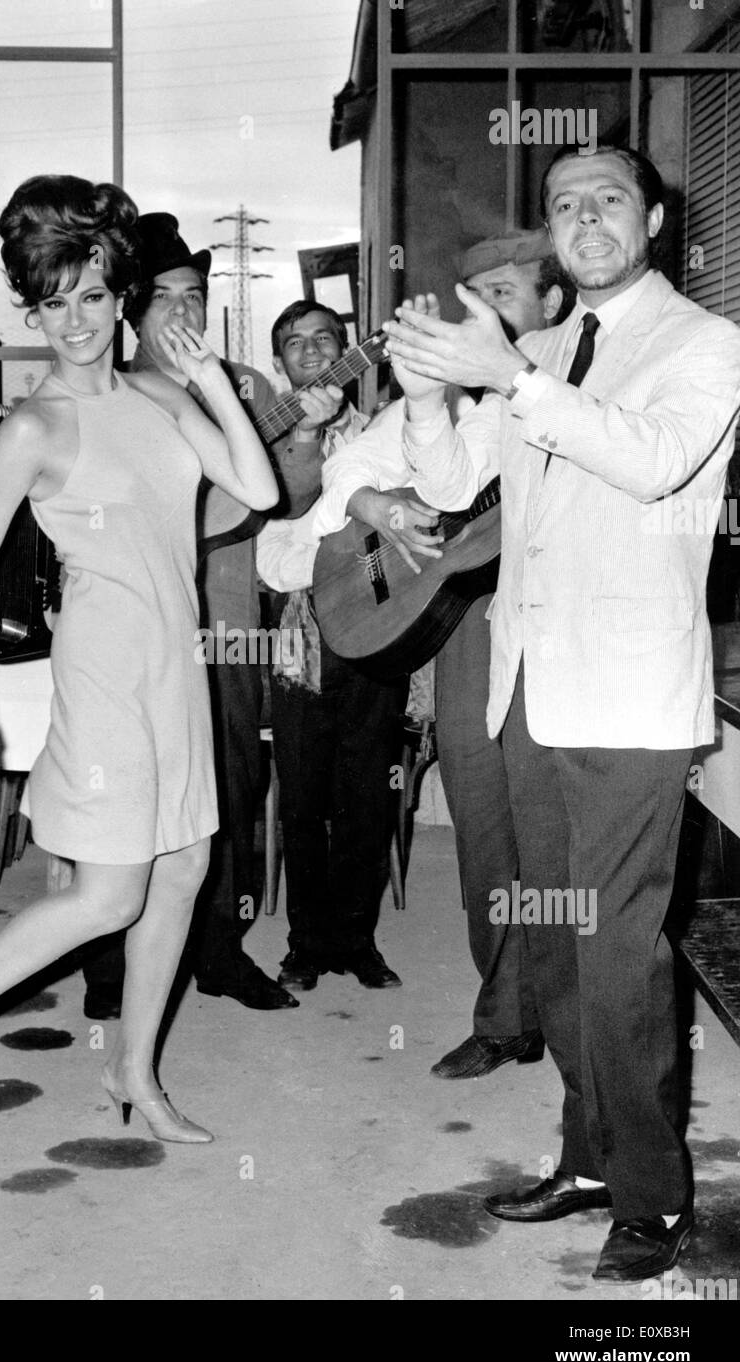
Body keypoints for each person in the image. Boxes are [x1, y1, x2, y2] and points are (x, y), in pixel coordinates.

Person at [316, 146, 740, 1282]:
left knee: (617, 962)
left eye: (608, 198)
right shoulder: (539, 352)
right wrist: (424, 396)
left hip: (628, 704)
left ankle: (651, 1197)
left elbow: (650, 463)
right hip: (525, 693)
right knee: (553, 952)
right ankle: (589, 1158)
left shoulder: (706, 345)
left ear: (652, 214)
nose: (587, 217)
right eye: (564, 204)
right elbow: (453, 488)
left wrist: (507, 380)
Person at [0, 175, 278, 1144]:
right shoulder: (34, 427)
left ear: (118, 291)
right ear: (33, 308)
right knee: (109, 891)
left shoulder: (161, 396)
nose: (77, 321)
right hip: (101, 670)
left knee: (183, 868)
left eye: (92, 296)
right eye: (54, 304)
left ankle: (134, 1075)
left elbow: (255, 487)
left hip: (175, 663)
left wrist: (210, 375)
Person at [78, 212, 301, 1015]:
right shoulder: (109, 393)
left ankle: (220, 952)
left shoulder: (249, 389)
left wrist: (305, 438)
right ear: (133, 312)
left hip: (229, 626)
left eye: (196, 295)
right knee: (127, 796)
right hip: (136, 633)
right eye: (165, 296)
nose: (183, 312)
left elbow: (287, 498)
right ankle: (110, 968)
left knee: (231, 787)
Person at [430, 228, 573, 1079]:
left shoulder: (588, 386)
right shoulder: (452, 397)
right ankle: (506, 1015)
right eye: (471, 298)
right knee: (484, 834)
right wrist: (373, 498)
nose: (481, 314)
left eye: (504, 295)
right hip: (466, 628)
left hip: (563, 633)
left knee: (554, 841)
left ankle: (571, 1021)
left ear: (552, 304)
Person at [256, 299, 406, 991]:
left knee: (366, 794)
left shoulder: (384, 432)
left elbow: (398, 545)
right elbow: (273, 562)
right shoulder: (268, 452)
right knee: (303, 797)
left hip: (377, 629)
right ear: (279, 361)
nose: (312, 353)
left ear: (351, 352)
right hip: (303, 638)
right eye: (295, 344)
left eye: (325, 339)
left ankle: (358, 940)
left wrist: (344, 550)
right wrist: (334, 543)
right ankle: (306, 944)